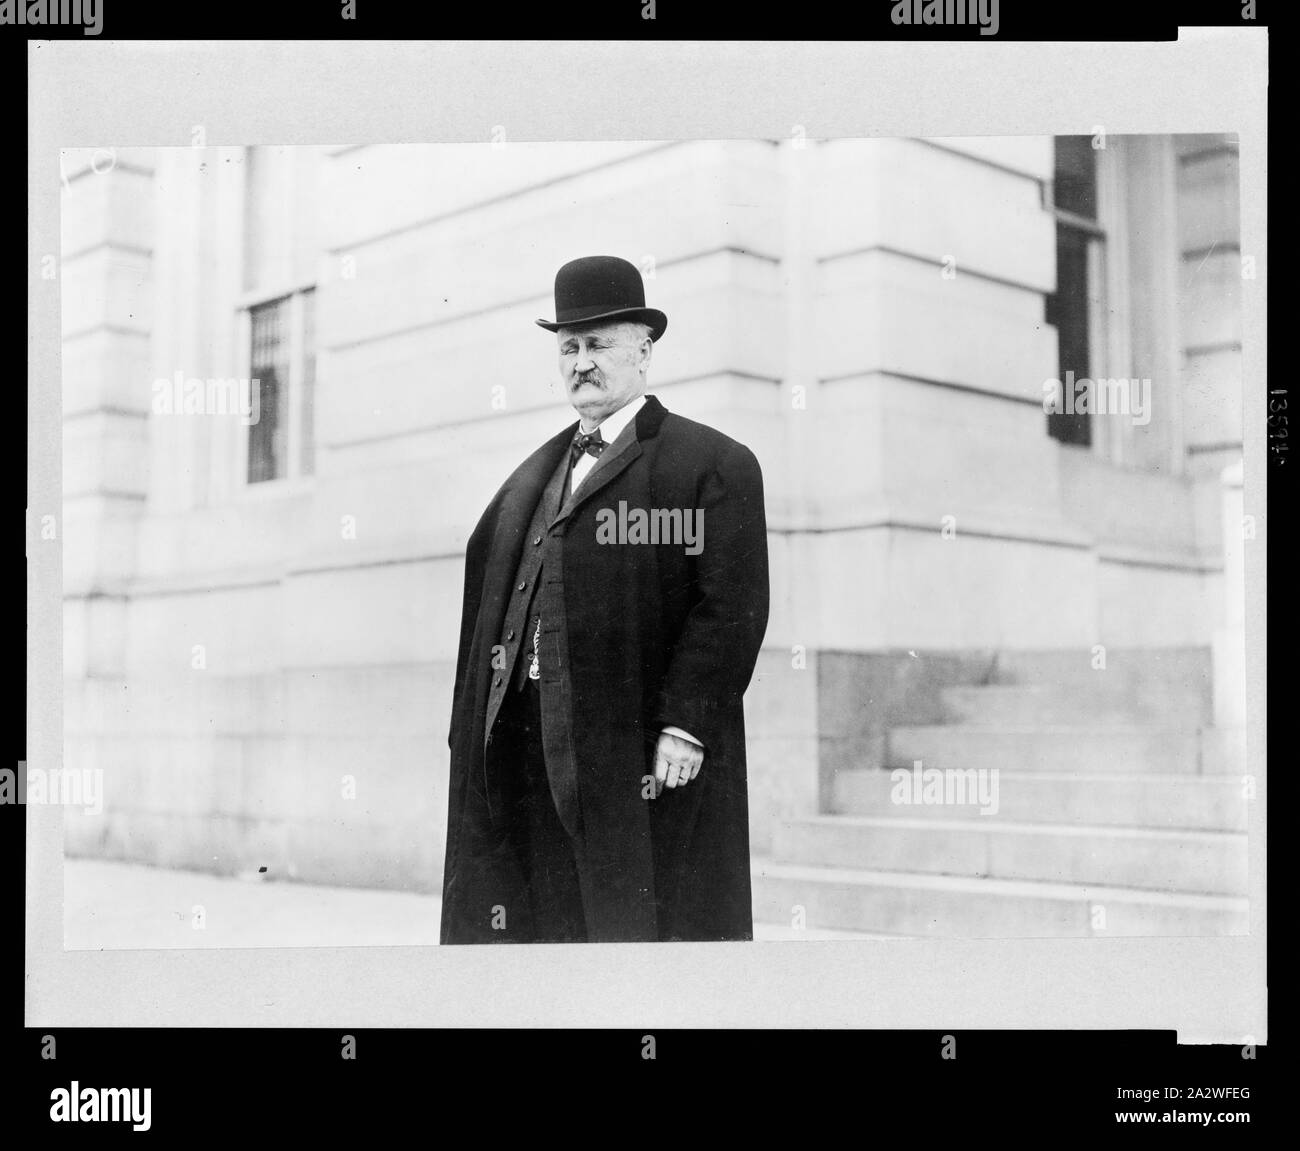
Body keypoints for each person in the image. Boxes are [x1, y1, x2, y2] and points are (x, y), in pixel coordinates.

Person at [439, 255, 769, 943]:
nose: (580, 363)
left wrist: (687, 722)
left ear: (644, 353)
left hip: (635, 755)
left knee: (634, 924)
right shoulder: (534, 476)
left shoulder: (709, 464)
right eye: (568, 347)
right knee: (541, 924)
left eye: (598, 344)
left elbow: (730, 604)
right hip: (527, 748)